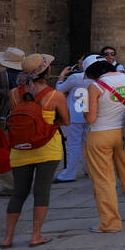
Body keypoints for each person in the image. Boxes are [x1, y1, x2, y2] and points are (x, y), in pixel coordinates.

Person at [1, 53, 68, 248]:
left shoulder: (14, 93)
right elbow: (66, 120)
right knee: (41, 191)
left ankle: (7, 237)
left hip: (20, 149)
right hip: (47, 146)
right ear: (46, 71)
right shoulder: (55, 95)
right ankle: (36, 235)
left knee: (18, 192)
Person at [82, 58, 125, 233]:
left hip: (100, 134)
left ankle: (110, 223)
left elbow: (90, 118)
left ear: (92, 72)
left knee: (103, 180)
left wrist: (84, 108)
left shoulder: (94, 87)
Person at [0, 46, 25, 197]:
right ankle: (24, 181)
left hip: (7, 118)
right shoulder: (28, 76)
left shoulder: (2, 77)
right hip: (25, 117)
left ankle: (10, 185)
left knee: (5, 151)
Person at [54, 55, 96, 183]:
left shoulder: (75, 77)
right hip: (90, 114)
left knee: (73, 145)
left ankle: (69, 174)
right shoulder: (97, 78)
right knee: (87, 144)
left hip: (75, 115)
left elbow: (59, 91)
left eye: (81, 61)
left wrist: (61, 75)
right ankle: (89, 170)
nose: (79, 62)